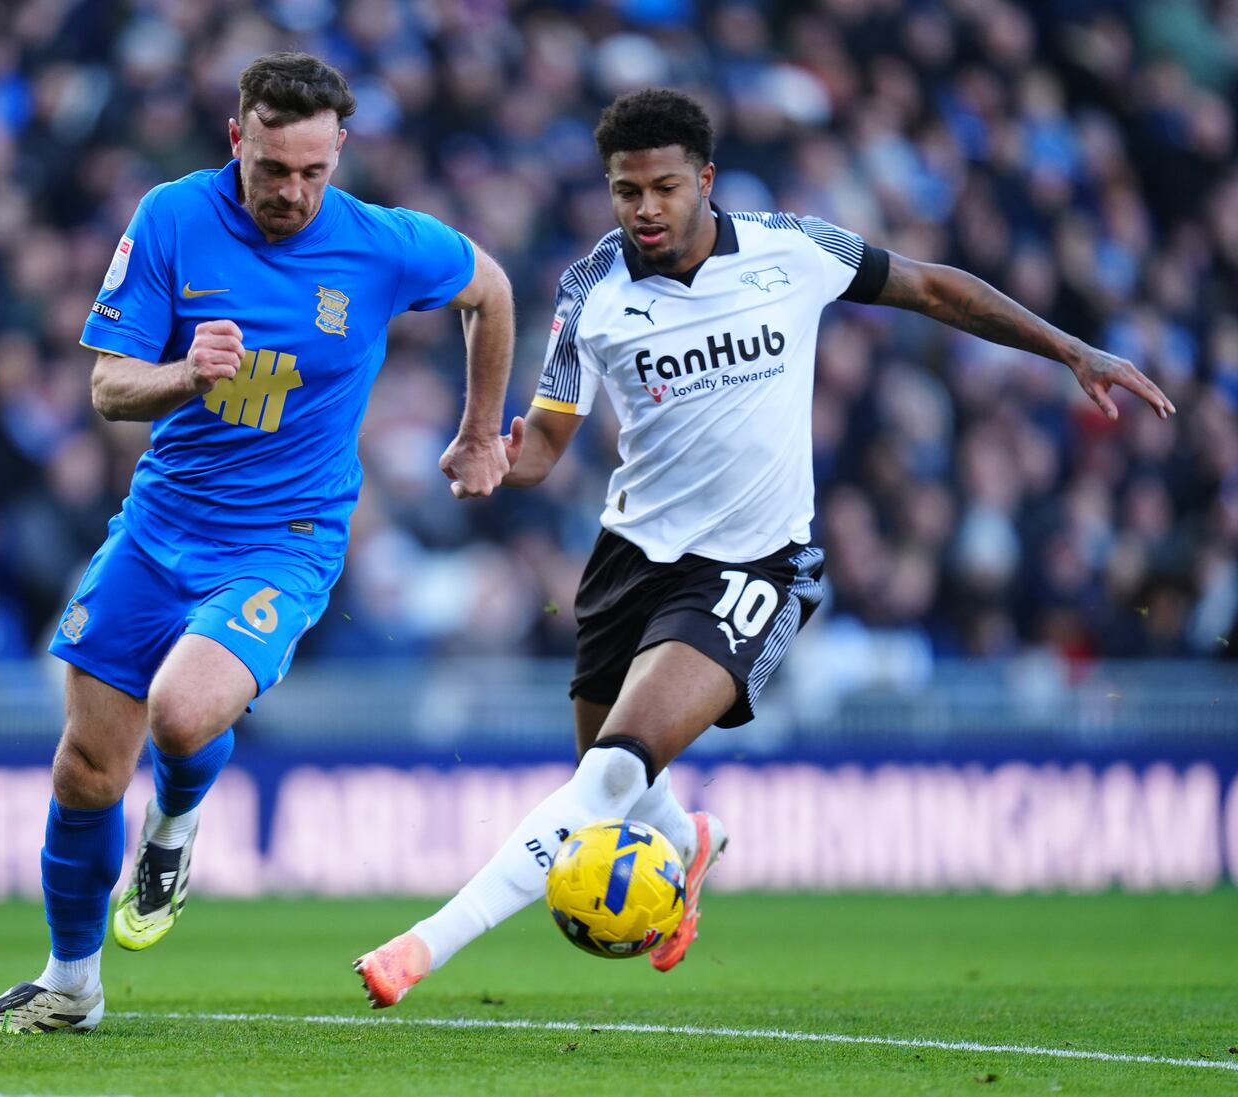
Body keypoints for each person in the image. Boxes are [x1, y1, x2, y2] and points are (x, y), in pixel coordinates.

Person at [354, 88, 1174, 1007]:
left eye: (665, 187)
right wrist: (499, 457)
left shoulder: (795, 250)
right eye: (627, 192)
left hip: (756, 565)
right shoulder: (594, 291)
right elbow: (548, 441)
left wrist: (1070, 350)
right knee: (617, 783)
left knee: (611, 771)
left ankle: (423, 946)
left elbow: (935, 287)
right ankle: (689, 842)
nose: (646, 210)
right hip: (629, 560)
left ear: (705, 180)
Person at [0, 52, 515, 1035]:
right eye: (272, 171)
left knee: (181, 711)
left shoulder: (383, 244)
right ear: (237, 141)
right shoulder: (171, 217)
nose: (292, 193)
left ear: (339, 150)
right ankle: (70, 985)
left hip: (284, 542)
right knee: (85, 765)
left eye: (312, 172)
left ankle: (172, 826)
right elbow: (105, 387)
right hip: (162, 525)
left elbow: (493, 289)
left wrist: (478, 430)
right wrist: (182, 375)